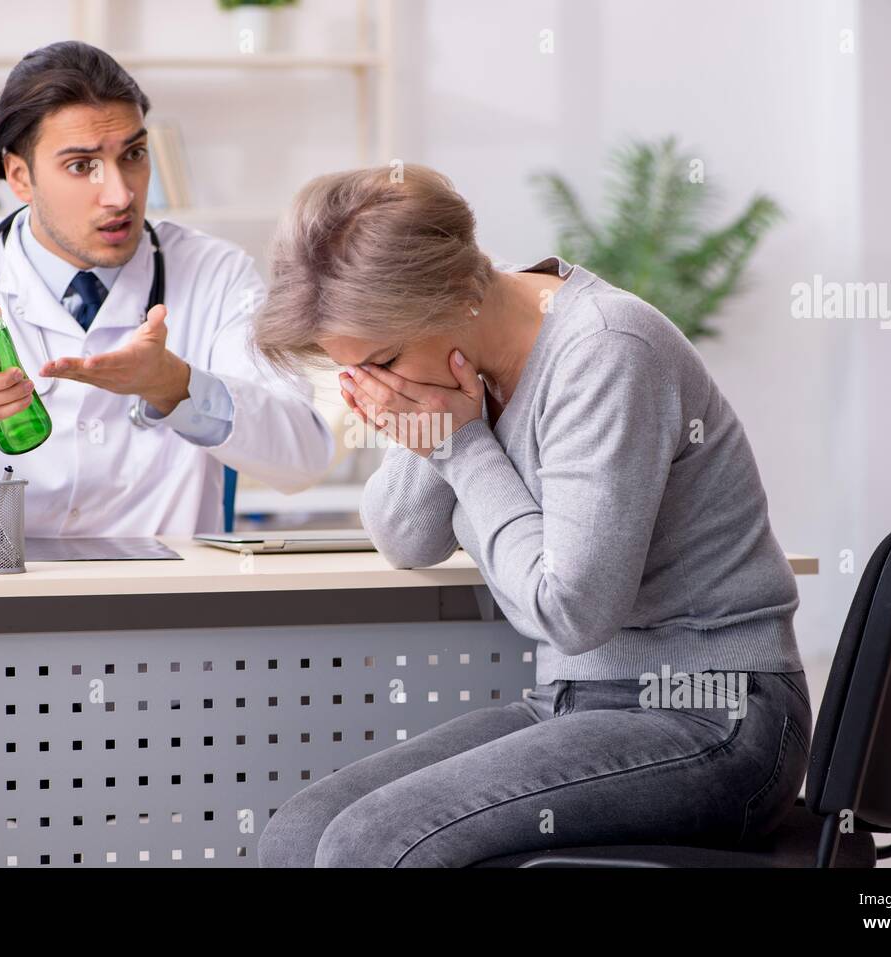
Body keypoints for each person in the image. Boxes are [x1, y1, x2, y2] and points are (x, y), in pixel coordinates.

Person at [252, 164, 812, 867]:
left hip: (716, 715)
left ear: (456, 290)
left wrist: (461, 444)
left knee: (374, 843)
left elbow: (572, 609)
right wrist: (430, 432)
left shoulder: (605, 349)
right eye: (358, 370)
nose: (380, 387)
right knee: (302, 831)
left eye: (385, 359)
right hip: (576, 701)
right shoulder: (463, 361)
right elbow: (405, 538)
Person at [0, 41, 333, 537]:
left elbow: (304, 456)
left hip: (162, 602)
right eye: (82, 166)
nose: (121, 194)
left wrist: (177, 386)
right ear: (20, 176)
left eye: (134, 154)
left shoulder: (217, 273)